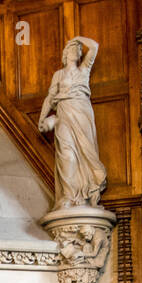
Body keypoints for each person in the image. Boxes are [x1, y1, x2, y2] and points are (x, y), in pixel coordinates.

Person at [39, 37, 109, 208]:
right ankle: (69, 196)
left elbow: (94, 46)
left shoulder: (84, 69)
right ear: (65, 53)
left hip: (82, 113)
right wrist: (42, 118)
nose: (76, 51)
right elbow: (50, 97)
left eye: (78, 49)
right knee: (67, 154)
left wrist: (78, 39)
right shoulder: (59, 75)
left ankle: (87, 193)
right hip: (63, 114)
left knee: (86, 153)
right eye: (71, 48)